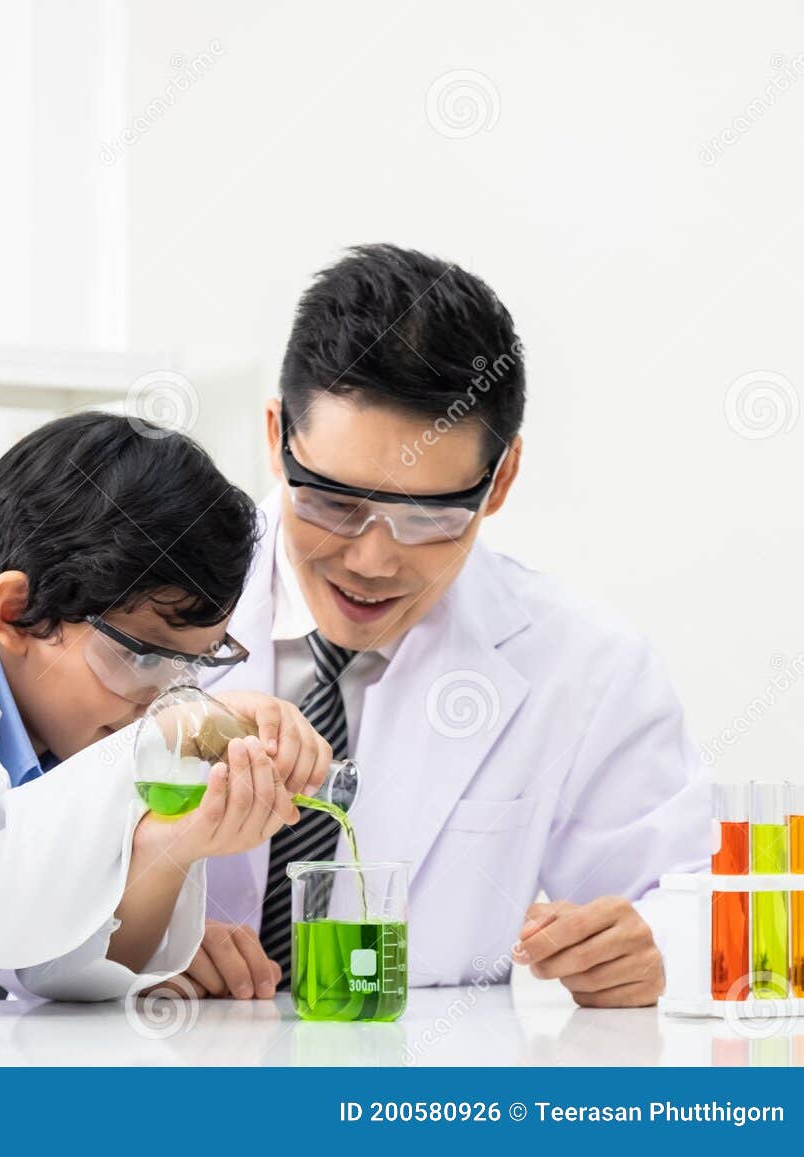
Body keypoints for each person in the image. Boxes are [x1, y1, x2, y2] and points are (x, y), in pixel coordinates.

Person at [202, 244, 709, 1007]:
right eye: (335, 503)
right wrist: (128, 938)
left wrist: (657, 946)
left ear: (499, 480)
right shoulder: (146, 601)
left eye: (427, 515)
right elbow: (2, 848)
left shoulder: (585, 667)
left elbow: (687, 898)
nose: (372, 558)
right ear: (277, 440)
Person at [0, 412, 332, 1002]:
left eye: (192, 664)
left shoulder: (70, 727)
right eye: (143, 658)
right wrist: (164, 737)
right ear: (15, 613)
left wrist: (167, 848)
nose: (164, 695)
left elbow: (64, 975)